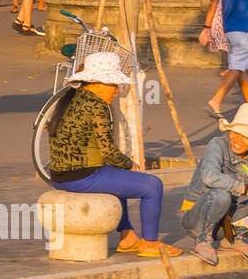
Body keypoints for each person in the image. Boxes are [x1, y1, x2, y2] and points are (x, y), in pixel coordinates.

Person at [47, 52, 180, 257]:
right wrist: (130, 165)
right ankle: (149, 242)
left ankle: (127, 236)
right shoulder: (97, 106)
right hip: (81, 177)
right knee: (153, 185)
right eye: (114, 85)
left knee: (117, 175)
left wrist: (123, 167)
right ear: (99, 83)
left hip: (58, 176)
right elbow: (108, 151)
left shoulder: (70, 98)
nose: (117, 92)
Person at [181, 103, 248, 266]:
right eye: (235, 133)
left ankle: (234, 239)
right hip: (197, 220)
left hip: (225, 222)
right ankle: (203, 240)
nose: (238, 140)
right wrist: (244, 189)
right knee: (222, 195)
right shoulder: (217, 145)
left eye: (246, 136)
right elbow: (210, 176)